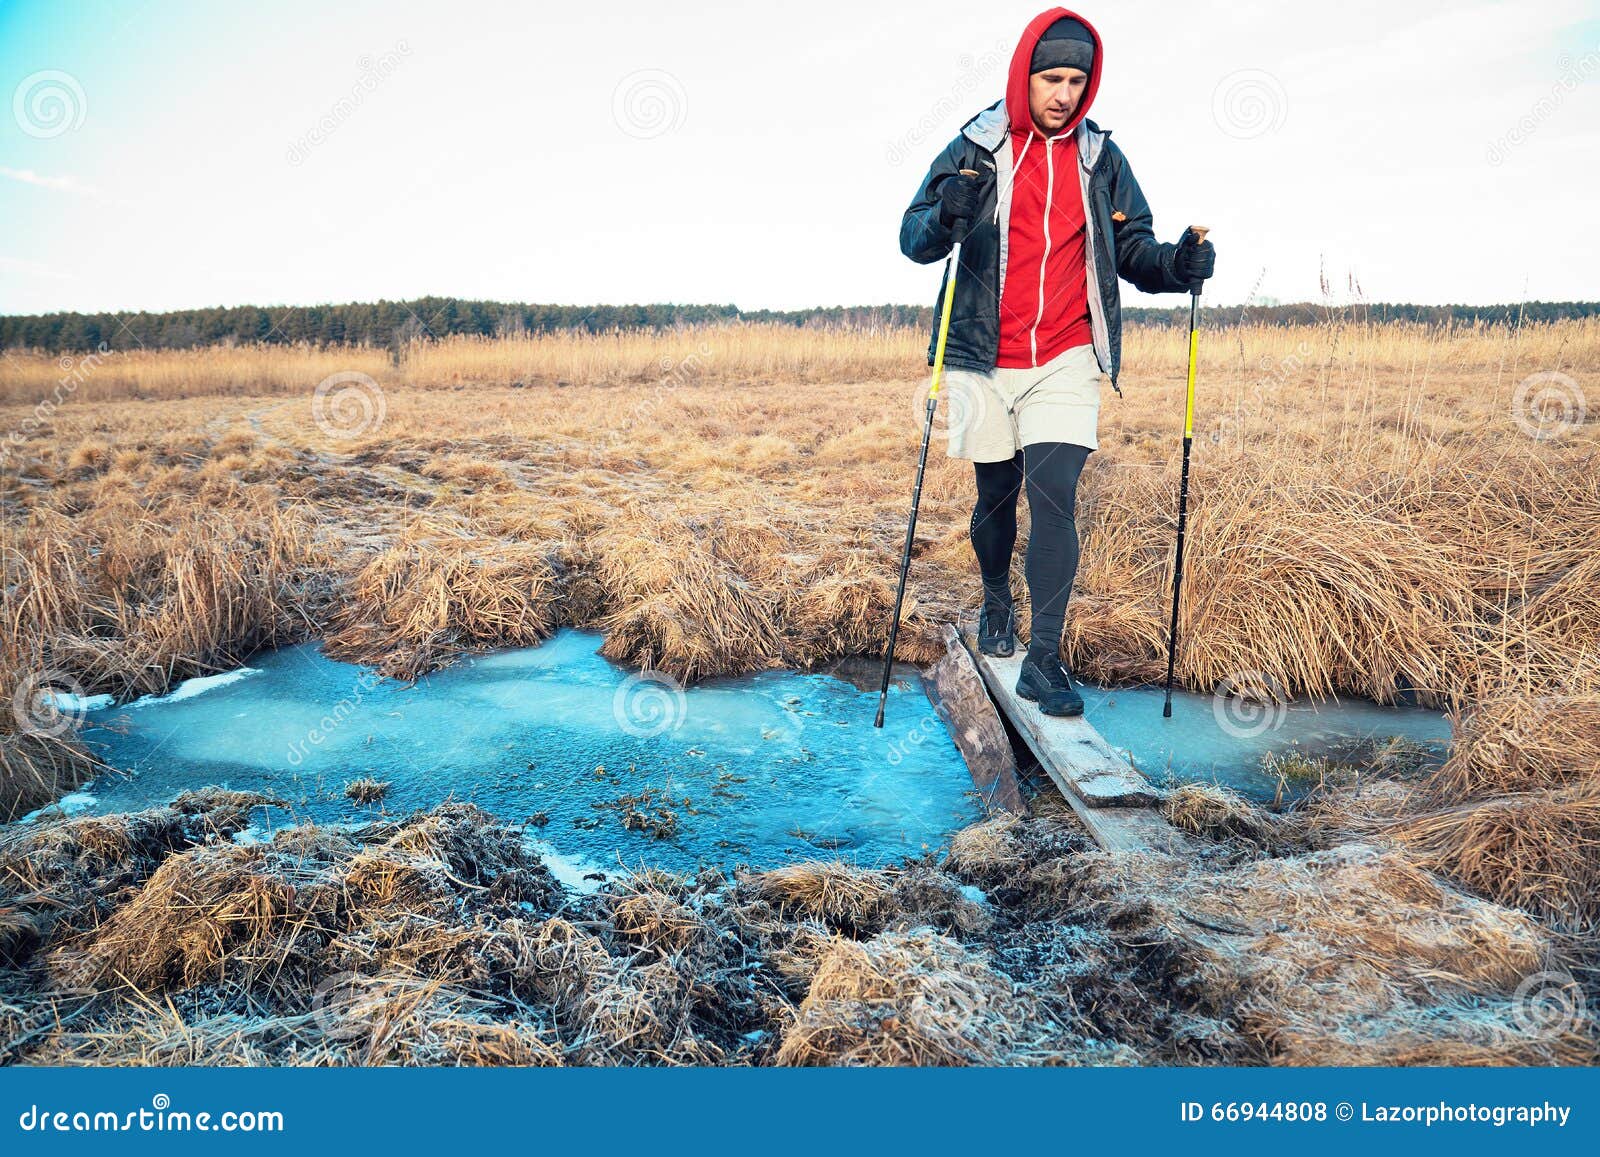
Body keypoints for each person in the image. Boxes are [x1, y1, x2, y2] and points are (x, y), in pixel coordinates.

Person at [899, 7, 1215, 716]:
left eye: (1077, 79)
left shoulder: (1101, 159)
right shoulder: (977, 148)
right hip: (984, 355)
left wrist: (1179, 265)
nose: (1065, 93)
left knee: (1054, 496)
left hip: (1067, 353)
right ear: (1025, 75)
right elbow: (914, 239)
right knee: (994, 500)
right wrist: (947, 213)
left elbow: (1136, 252)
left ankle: (1045, 660)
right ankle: (995, 596)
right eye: (1052, 78)